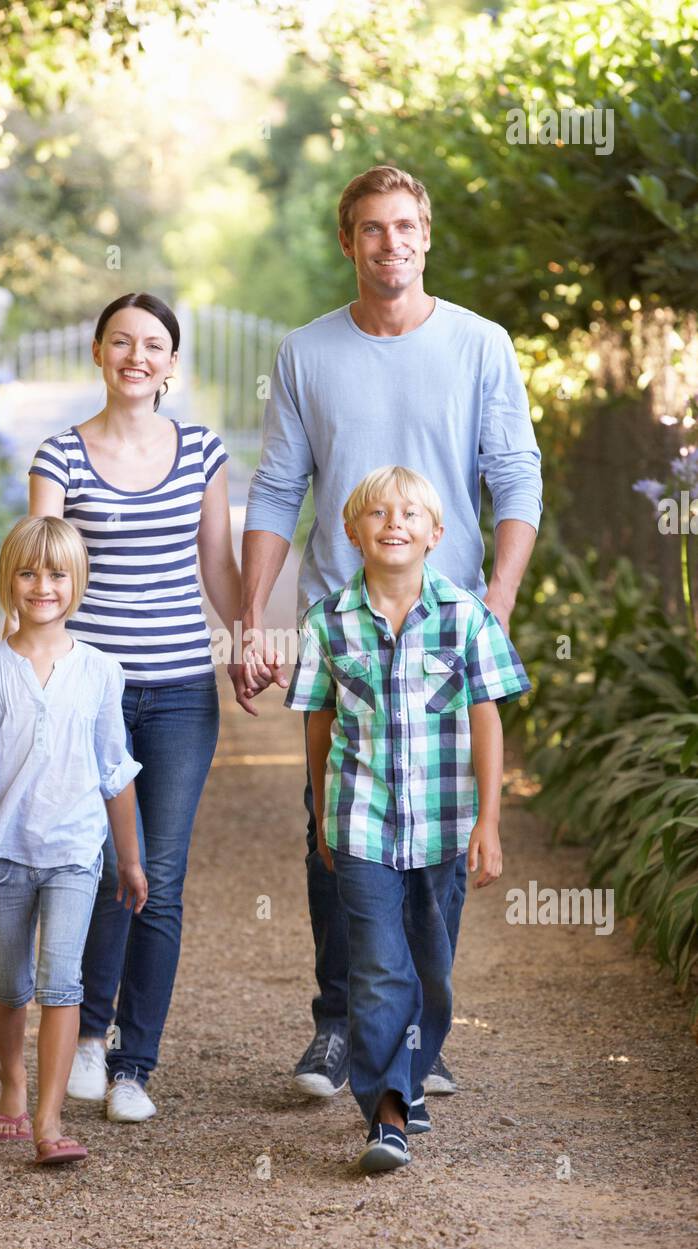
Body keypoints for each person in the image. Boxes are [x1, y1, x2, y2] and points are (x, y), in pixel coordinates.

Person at [236, 164, 542, 1099]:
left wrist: (496, 600)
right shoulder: (306, 353)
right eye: (372, 228)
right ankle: (340, 1025)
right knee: (337, 825)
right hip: (344, 622)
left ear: (427, 235)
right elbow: (280, 490)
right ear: (349, 243)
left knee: (438, 835)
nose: (391, 243)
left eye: (405, 226)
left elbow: (516, 477)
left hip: (446, 626)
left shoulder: (481, 345)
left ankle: (416, 1028)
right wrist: (253, 617)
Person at [26, 292, 242, 1122]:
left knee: (161, 875)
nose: (137, 356)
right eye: (121, 341)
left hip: (184, 692)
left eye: (153, 344)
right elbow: (38, 569)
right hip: (91, 699)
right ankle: (86, 1033)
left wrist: (250, 637)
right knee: (106, 864)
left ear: (172, 363)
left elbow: (217, 566)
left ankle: (133, 1068)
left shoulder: (201, 451)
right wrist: (27, 679)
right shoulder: (61, 456)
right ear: (98, 353)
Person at [282, 467, 530, 1171]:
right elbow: (318, 723)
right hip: (360, 821)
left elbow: (487, 722)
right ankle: (386, 1113)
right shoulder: (328, 622)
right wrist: (325, 816)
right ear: (352, 532)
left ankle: (411, 1073)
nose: (394, 523)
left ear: (436, 533)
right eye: (378, 514)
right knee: (377, 967)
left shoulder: (467, 617)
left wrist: (489, 822)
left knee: (432, 969)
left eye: (410, 514)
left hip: (443, 827)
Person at [0, 516, 147, 1165]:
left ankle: (49, 1118)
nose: (43, 586)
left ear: (77, 581)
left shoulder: (99, 671)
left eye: (57, 573)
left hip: (74, 852)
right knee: (10, 983)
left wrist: (131, 859)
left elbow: (116, 772)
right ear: (10, 579)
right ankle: (13, 1081)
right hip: (5, 854)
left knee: (63, 984)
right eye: (29, 572)